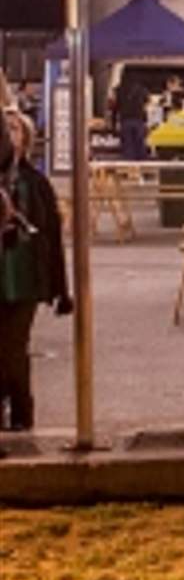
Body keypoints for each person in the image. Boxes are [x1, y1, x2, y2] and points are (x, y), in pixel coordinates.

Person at [0, 113, 73, 432]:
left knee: (13, 348)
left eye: (16, 128)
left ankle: (21, 414)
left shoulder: (35, 183)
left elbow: (52, 238)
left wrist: (61, 289)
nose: (10, 134)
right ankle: (15, 415)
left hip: (26, 278)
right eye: (7, 129)